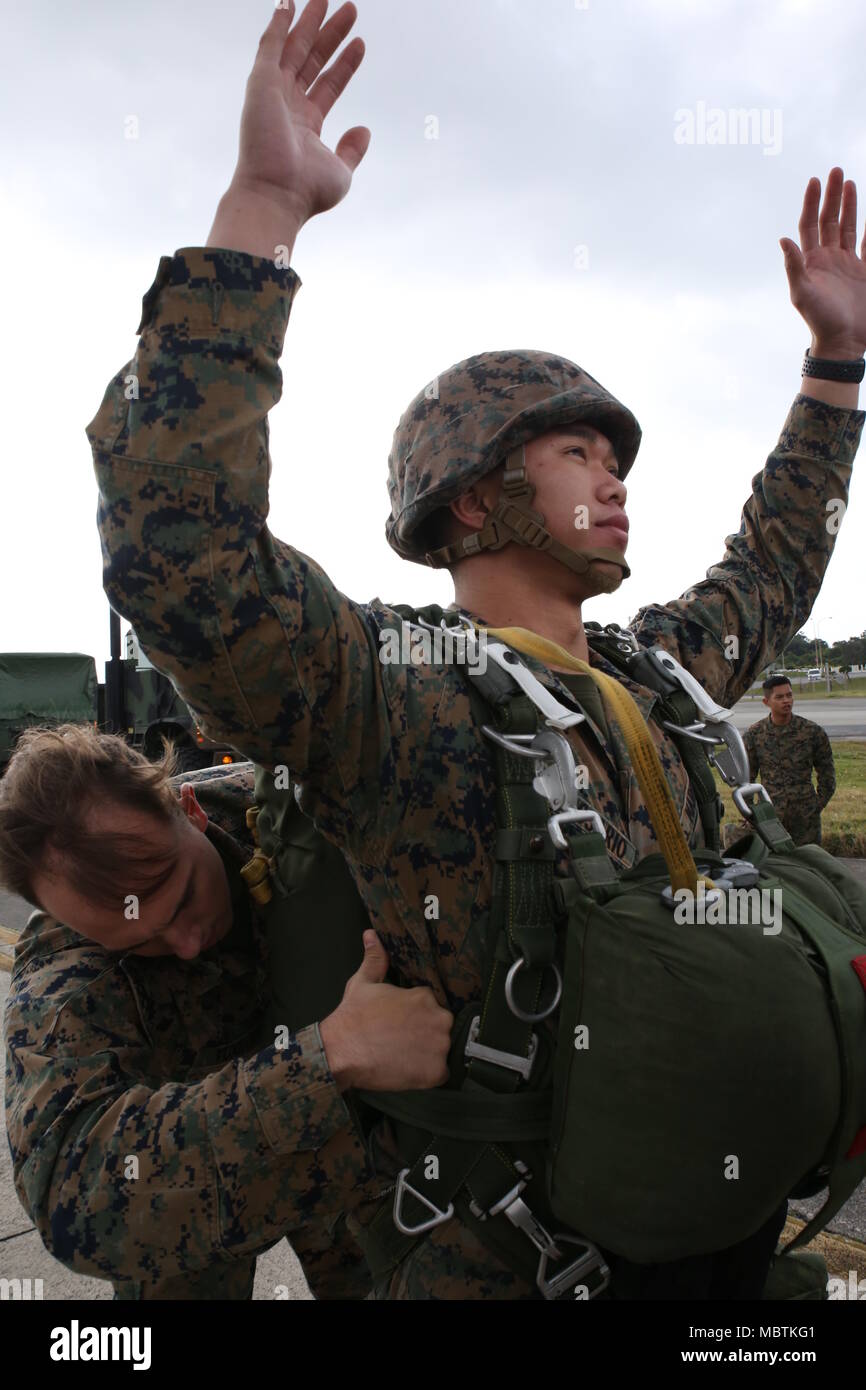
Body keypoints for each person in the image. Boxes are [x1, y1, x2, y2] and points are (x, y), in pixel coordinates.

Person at [86, 1, 866, 1298]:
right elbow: (184, 549)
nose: (613, 480)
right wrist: (262, 208)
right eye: (575, 452)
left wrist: (836, 363)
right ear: (472, 497)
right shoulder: (399, 694)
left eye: (614, 457)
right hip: (512, 1266)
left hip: (709, 1247)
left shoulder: (649, 672)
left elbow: (772, 566)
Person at [0, 723, 452, 1299]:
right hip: (188, 1188)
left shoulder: (279, 806)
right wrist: (330, 1056)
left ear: (187, 807)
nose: (188, 942)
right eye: (142, 942)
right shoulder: (62, 973)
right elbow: (73, 1196)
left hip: (344, 1159)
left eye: (183, 892)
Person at [742, 676, 836, 846]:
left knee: (808, 865)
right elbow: (746, 777)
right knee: (775, 866)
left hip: (806, 818)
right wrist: (752, 813)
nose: (786, 701)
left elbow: (827, 774)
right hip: (770, 816)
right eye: (779, 697)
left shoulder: (812, 732)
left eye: (789, 695)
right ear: (766, 701)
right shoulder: (754, 735)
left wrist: (816, 805)